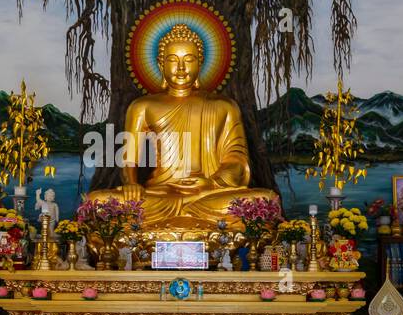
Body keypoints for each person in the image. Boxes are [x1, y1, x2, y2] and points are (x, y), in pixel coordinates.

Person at [83, 24, 277, 229]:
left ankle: (178, 220)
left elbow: (237, 160)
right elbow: (128, 157)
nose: (181, 68)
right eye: (173, 60)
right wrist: (131, 184)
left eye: (189, 59)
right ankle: (198, 223)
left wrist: (211, 183)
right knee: (97, 202)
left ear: (200, 63)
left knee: (265, 200)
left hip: (207, 196)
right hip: (160, 195)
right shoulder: (143, 106)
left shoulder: (224, 107)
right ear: (160, 64)